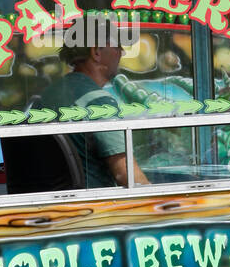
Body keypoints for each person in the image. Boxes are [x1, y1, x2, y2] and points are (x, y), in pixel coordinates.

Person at [41, 38, 149, 188]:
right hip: (98, 205)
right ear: (96, 51)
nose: (122, 53)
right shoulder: (98, 103)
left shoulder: (49, 94)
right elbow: (127, 176)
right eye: (118, 47)